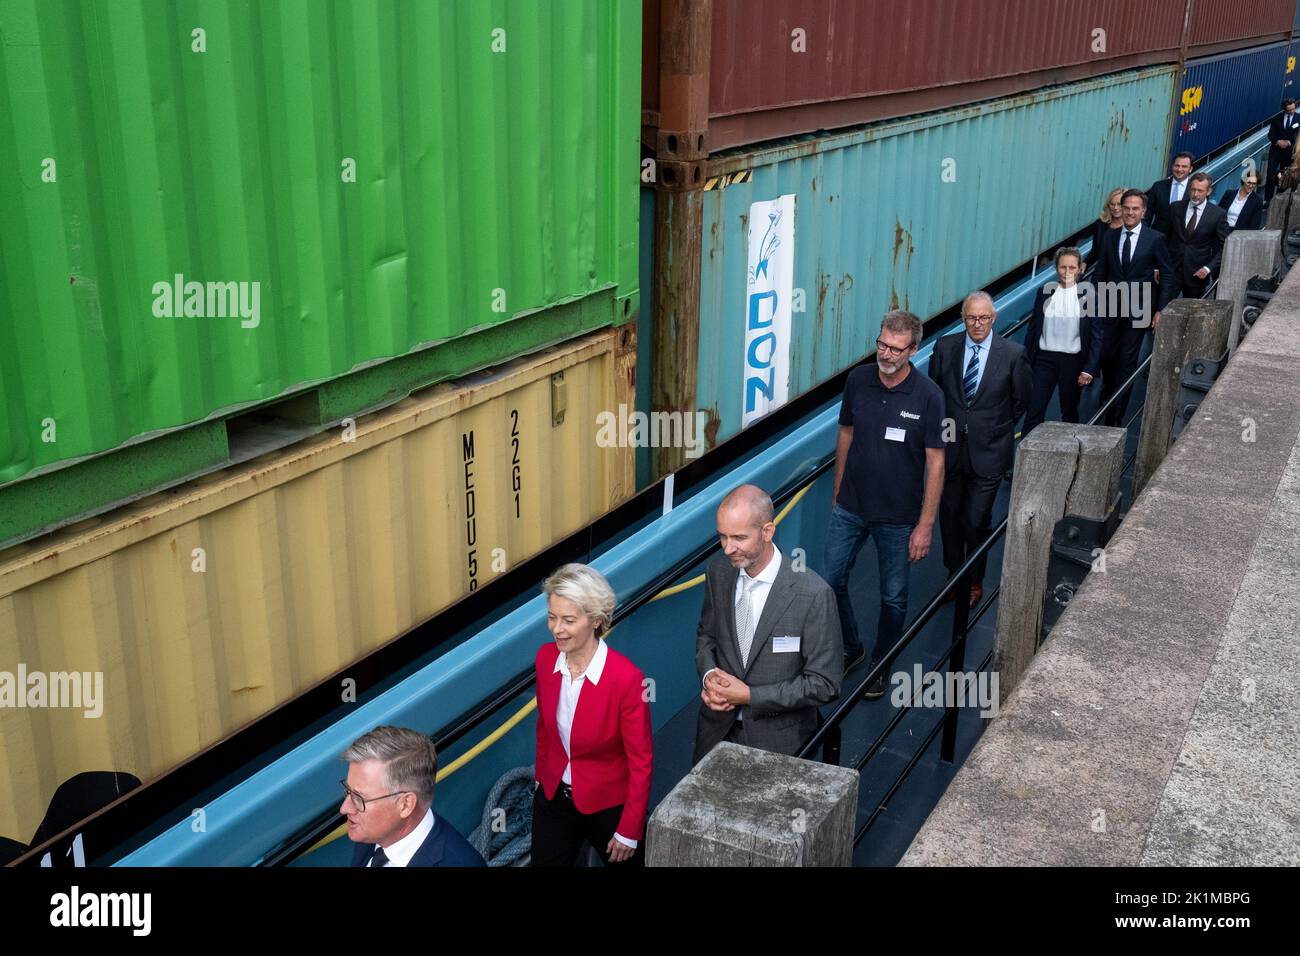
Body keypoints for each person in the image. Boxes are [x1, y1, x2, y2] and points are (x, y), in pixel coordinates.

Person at [824, 310, 945, 698]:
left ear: (913, 349)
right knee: (830, 581)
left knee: (893, 597)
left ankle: (882, 661)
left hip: (897, 519)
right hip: (851, 507)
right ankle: (850, 646)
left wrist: (925, 526)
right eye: (881, 345)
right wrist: (838, 487)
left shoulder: (929, 397)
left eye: (896, 349)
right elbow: (846, 433)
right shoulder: (858, 381)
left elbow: (936, 462)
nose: (886, 354)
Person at [695, 484, 842, 762]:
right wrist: (709, 678)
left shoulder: (813, 594)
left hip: (780, 743)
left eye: (739, 537)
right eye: (722, 537)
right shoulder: (717, 573)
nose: (728, 548)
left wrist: (750, 695)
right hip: (715, 732)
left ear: (767, 531)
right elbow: (706, 636)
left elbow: (825, 684)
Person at [532, 563, 652, 867]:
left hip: (609, 806)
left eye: (568, 620)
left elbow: (641, 761)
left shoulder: (626, 679)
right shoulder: (546, 659)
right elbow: (544, 728)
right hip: (554, 798)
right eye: (552, 617)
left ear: (596, 620)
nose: (556, 628)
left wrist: (629, 830)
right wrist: (540, 778)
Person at [927, 292, 1030, 608]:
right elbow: (935, 394)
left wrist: (992, 430)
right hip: (951, 451)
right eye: (971, 317)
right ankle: (954, 574)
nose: (977, 324)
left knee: (975, 519)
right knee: (949, 516)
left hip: (989, 453)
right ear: (963, 317)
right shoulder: (945, 348)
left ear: (993, 318)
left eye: (984, 318)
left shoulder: (1013, 354)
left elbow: (1021, 400)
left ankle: (973, 579)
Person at [1091, 189, 1178, 427]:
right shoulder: (1110, 236)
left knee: (1126, 361)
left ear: (1143, 212)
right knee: (1107, 357)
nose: (1129, 212)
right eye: (1126, 207)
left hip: (1138, 310)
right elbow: (1100, 271)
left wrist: (1160, 309)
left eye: (1135, 209)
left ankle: (1115, 416)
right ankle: (1107, 394)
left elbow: (1168, 275)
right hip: (1110, 307)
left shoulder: (1155, 239)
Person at [341, 725, 486, 867]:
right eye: (348, 790)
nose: (344, 808)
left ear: (405, 805)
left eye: (358, 798)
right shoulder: (373, 832)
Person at [1023, 248, 1103, 436]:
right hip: (1043, 360)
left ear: (1080, 269)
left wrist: (1089, 368)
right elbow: (1033, 329)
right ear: (1056, 268)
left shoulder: (1089, 297)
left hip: (1072, 362)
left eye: (1072, 267)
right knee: (1034, 409)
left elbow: (1097, 336)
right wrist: (1025, 360)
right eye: (1063, 267)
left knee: (1068, 411)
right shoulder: (1044, 292)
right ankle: (1026, 456)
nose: (1067, 271)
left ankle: (1069, 455)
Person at [1168, 171, 1230, 300]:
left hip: (1197, 274)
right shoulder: (1175, 208)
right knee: (1161, 310)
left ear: (1208, 191)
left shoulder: (1218, 214)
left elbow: (1225, 247)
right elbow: (1164, 238)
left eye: (1200, 191)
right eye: (1193, 190)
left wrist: (1208, 268)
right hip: (1171, 270)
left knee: (1191, 314)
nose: (1195, 194)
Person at [1146, 153, 1195, 238]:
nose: (1179, 169)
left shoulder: (1195, 189)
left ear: (1190, 169)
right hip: (1158, 238)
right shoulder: (1158, 186)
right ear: (1172, 166)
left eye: (1184, 166)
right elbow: (1148, 215)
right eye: (1177, 165)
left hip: (1182, 241)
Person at [1265, 99, 1298, 203]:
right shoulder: (1276, 119)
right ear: (1284, 110)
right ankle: (1267, 200)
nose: (1292, 111)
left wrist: (1290, 143)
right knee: (1270, 174)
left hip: (1289, 154)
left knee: (1285, 175)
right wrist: (1277, 141)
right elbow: (1270, 135)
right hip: (1275, 152)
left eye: (1293, 109)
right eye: (1289, 110)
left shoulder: (1299, 118)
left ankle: (1280, 198)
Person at [1088, 187, 1127, 268]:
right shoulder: (1100, 224)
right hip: (1103, 272)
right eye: (1112, 204)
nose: (1115, 208)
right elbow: (1095, 251)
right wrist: (1085, 263)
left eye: (1119, 204)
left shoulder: (1135, 225)